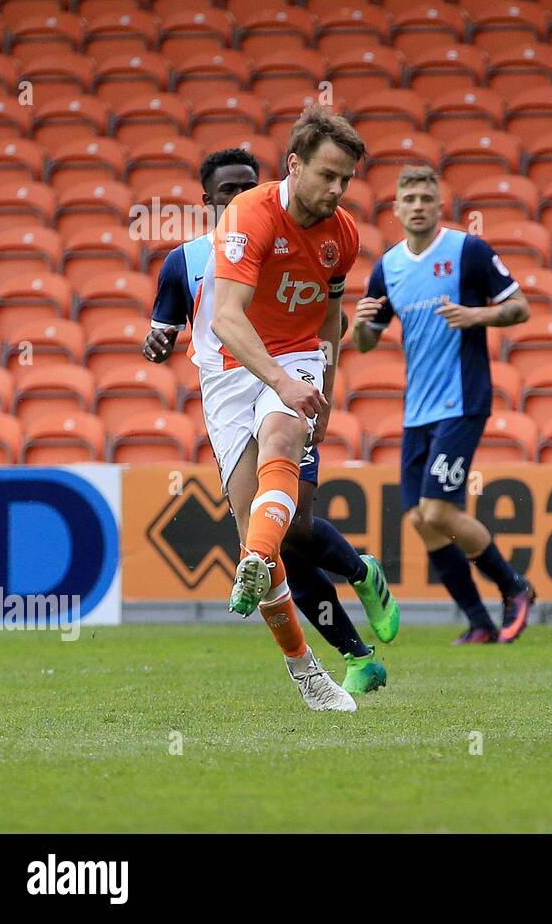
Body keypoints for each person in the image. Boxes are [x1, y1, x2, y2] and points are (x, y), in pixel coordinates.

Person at [145, 148, 399, 696]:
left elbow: (328, 309)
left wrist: (321, 386)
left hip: (288, 370)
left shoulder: (286, 228)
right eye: (226, 190)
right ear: (207, 199)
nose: (239, 197)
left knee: (293, 522)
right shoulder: (182, 262)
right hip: (226, 386)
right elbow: (163, 335)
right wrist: (158, 341)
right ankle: (348, 647)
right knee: (275, 532)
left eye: (247, 185)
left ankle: (356, 587)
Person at [187, 108, 372, 711]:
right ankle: (308, 675)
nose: (337, 191)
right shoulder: (249, 213)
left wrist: (324, 387)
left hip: (296, 356)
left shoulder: (342, 234)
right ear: (295, 165)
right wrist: (279, 381)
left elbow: (328, 319)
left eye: (346, 179)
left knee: (285, 440)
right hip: (232, 367)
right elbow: (226, 318)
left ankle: (256, 561)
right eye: (327, 176)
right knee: (253, 523)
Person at [351, 164, 537, 645]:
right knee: (418, 518)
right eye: (408, 198)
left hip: (463, 399)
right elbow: (367, 342)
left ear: (439, 206)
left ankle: (515, 588)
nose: (417, 206)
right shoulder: (387, 267)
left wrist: (478, 314)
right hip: (418, 410)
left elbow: (520, 306)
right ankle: (478, 620)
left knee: (437, 509)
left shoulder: (467, 252)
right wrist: (361, 323)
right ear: (395, 209)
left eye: (425, 198)